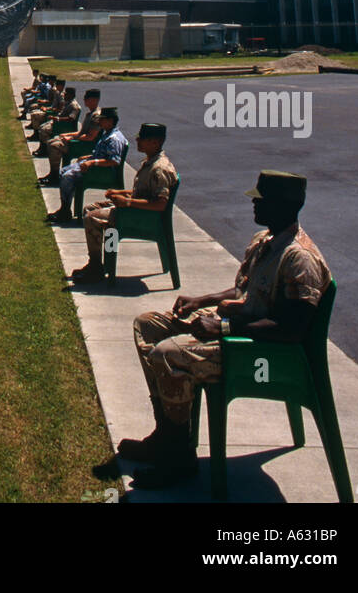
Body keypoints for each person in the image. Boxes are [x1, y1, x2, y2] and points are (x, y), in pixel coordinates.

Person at [116, 170, 330, 490]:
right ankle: (168, 433)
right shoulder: (265, 241)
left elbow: (292, 328)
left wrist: (224, 327)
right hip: (238, 328)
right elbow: (242, 291)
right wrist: (200, 301)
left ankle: (177, 457)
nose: (254, 204)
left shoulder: (298, 257)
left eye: (262, 199)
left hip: (259, 350)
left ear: (285, 205)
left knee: (168, 355)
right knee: (148, 326)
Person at [72, 123, 177, 284]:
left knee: (91, 218)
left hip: (142, 218)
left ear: (155, 142)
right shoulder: (150, 161)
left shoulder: (159, 169)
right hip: (134, 211)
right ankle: (107, 263)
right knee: (90, 209)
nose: (137, 141)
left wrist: (127, 202)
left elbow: (160, 204)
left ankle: (96, 267)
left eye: (142, 139)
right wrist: (120, 193)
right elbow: (143, 193)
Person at [45, 108, 127, 224]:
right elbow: (101, 154)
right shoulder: (107, 133)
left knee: (68, 176)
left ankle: (65, 212)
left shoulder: (114, 138)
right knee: (63, 171)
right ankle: (65, 207)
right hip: (94, 166)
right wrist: (88, 157)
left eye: (102, 120)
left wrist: (93, 162)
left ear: (110, 121)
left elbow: (114, 161)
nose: (100, 122)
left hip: (103, 172)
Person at [40, 88, 102, 179]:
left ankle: (54, 175)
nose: (84, 100)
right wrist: (67, 135)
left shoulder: (96, 116)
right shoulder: (90, 114)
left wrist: (72, 139)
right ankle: (53, 173)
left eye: (86, 98)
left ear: (94, 100)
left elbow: (90, 137)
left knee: (54, 145)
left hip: (86, 146)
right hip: (81, 141)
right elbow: (81, 132)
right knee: (52, 141)